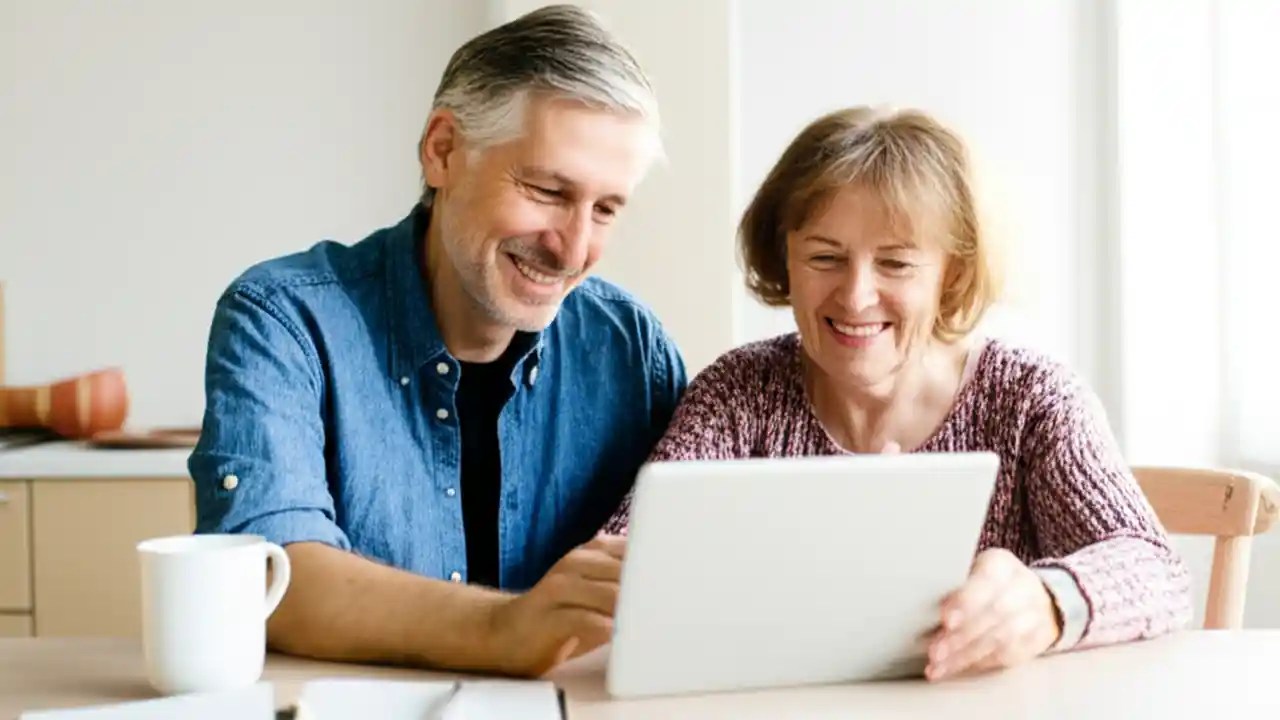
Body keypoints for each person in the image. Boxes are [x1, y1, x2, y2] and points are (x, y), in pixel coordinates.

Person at [603, 106, 1192, 681]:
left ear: (951, 276)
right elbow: (623, 565)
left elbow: (1157, 569)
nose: (856, 297)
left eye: (896, 264)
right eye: (825, 258)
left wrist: (1048, 601)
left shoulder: (1030, 399)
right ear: (785, 258)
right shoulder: (739, 393)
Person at [189, 5, 686, 677]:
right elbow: (269, 575)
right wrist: (510, 628)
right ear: (443, 150)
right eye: (546, 190)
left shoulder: (632, 348)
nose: (573, 248)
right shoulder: (282, 320)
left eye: (605, 209)